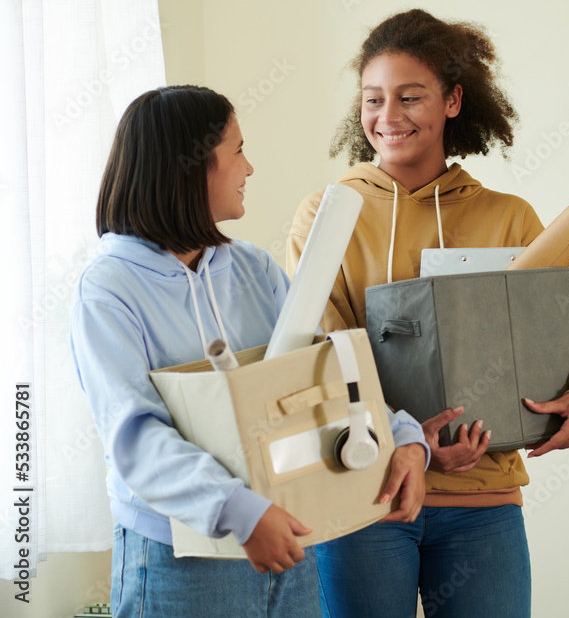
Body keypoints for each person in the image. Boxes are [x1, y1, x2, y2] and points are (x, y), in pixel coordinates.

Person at [288, 9, 569, 617]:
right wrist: (407, 441)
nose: (387, 117)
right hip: (368, 497)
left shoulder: (511, 217)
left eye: (409, 97)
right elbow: (318, 359)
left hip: (483, 508)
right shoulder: (326, 214)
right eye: (373, 99)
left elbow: (553, 355)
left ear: (453, 100)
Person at [70, 85, 428, 616]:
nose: (250, 168)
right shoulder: (109, 289)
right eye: (238, 151)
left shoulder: (254, 269)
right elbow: (136, 436)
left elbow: (319, 375)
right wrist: (240, 512)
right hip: (180, 558)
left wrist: (403, 437)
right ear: (190, 168)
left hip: (287, 535)